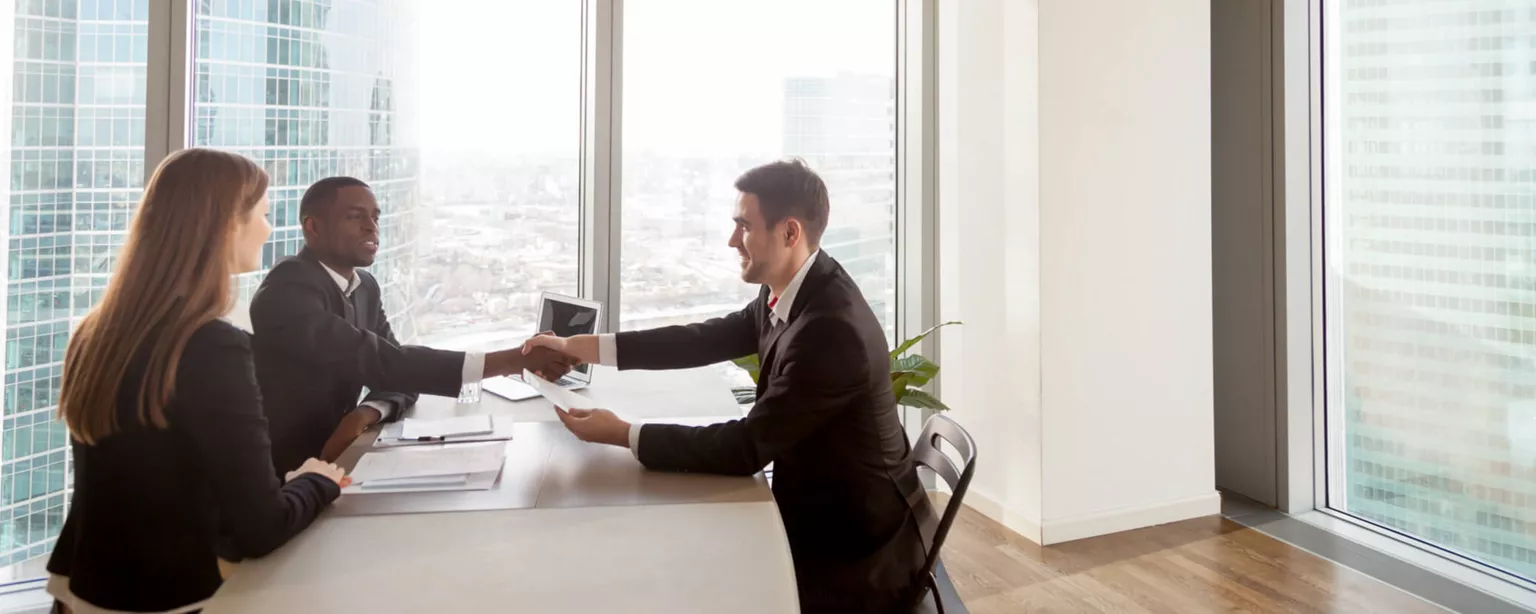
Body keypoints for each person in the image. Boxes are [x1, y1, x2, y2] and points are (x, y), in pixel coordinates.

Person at [524, 160, 929, 612]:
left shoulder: (831, 331)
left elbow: (745, 450)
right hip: (821, 507)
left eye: (743, 226)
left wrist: (622, 434)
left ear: (789, 232)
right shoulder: (796, 286)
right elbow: (704, 339)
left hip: (855, 549)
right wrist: (579, 346)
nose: (733, 239)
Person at [45, 149, 348, 613]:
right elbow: (262, 527)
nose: (268, 230)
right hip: (168, 598)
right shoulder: (210, 345)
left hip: (81, 589)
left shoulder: (95, 333)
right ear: (227, 224)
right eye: (263, 215)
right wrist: (316, 480)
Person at [250, 177, 574, 475]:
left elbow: (398, 373)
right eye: (355, 216)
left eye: (375, 217)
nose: (371, 227)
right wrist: (513, 360)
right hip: (281, 473)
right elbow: (385, 361)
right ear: (313, 228)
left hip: (339, 459)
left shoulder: (365, 287)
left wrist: (363, 415)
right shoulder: (287, 290)